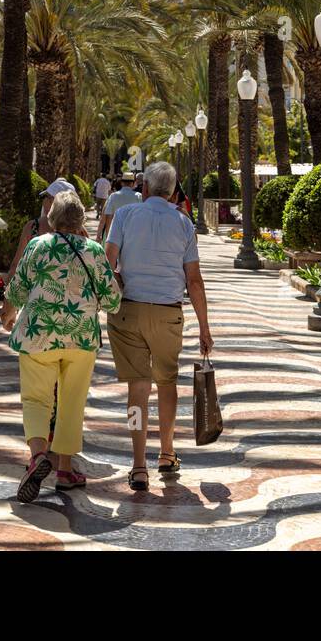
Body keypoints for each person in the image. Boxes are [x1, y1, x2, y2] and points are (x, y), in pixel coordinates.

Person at [3, 190, 120, 503]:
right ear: (80, 220)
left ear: (52, 218)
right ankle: (66, 471)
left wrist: (8, 315)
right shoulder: (94, 251)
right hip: (81, 339)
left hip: (39, 336)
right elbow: (113, 300)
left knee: (36, 398)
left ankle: (38, 456)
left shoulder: (38, 245)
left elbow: (17, 290)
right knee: (72, 401)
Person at [105, 160, 213, 492]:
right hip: (169, 314)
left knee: (137, 390)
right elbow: (194, 281)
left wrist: (118, 284)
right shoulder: (184, 224)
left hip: (129, 312)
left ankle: (139, 465)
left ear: (145, 188)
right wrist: (205, 328)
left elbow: (107, 263)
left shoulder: (124, 216)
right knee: (167, 384)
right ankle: (166, 452)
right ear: (172, 192)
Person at [96, 170, 140, 246]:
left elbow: (108, 217)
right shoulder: (138, 196)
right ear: (133, 183)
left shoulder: (113, 196)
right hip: (132, 237)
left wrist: (107, 238)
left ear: (122, 183)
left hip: (114, 236)